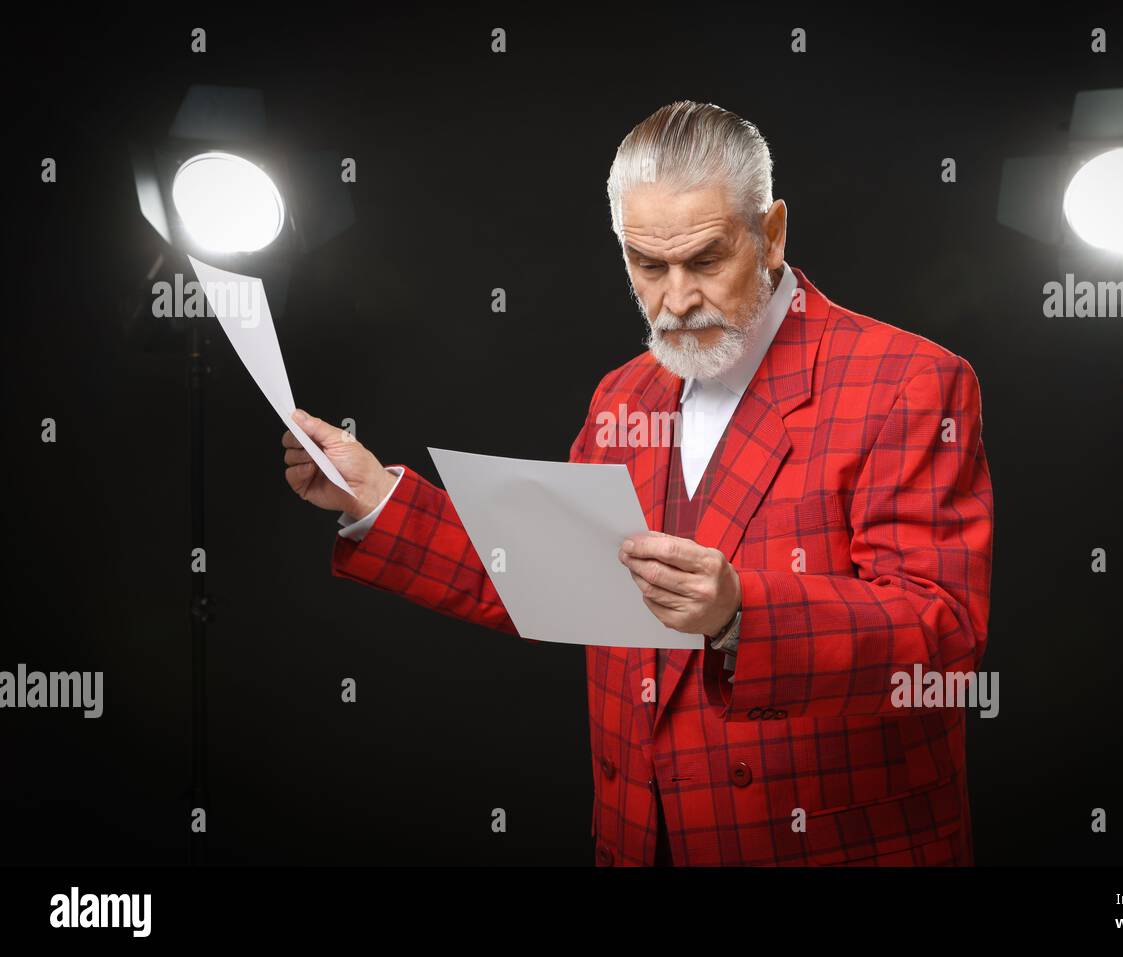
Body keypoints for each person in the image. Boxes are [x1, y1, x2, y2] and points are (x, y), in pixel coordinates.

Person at [282, 101, 994, 866]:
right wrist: (375, 500)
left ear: (773, 231)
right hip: (637, 838)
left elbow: (942, 631)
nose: (678, 299)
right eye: (648, 265)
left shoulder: (908, 381)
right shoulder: (623, 395)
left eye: (707, 259)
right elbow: (549, 575)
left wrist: (741, 611)